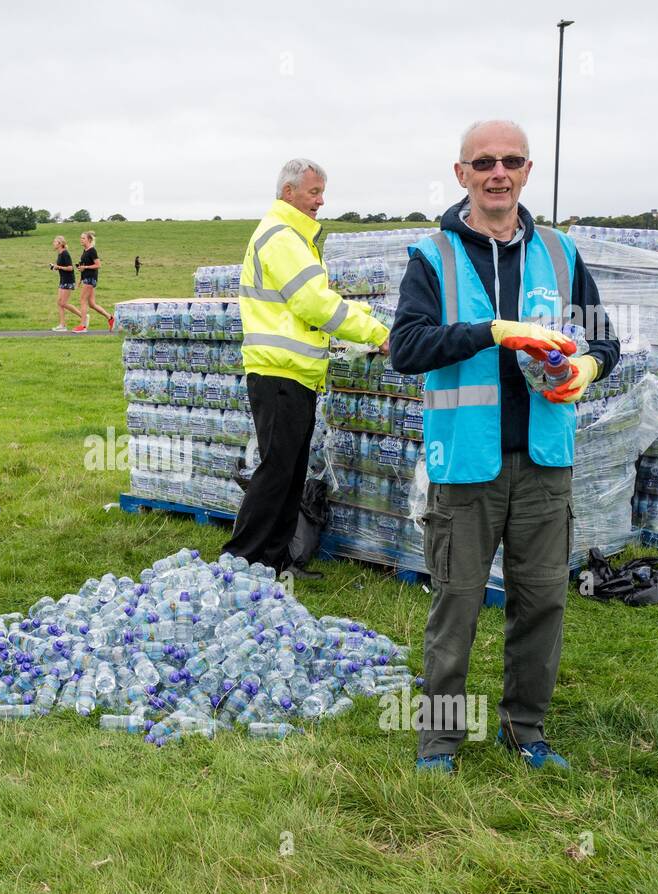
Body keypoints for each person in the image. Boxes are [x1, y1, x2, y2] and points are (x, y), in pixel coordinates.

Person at [389, 120, 620, 774]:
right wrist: (490, 331)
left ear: (526, 171)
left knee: (542, 601)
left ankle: (527, 733)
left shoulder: (559, 252)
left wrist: (587, 370)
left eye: (511, 161)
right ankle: (439, 742)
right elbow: (406, 347)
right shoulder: (432, 256)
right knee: (455, 606)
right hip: (465, 468)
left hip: (545, 462)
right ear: (460, 173)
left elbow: (606, 341)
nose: (498, 172)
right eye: (483, 161)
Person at [222, 158, 389, 576]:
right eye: (314, 192)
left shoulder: (294, 237)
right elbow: (314, 303)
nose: (321, 200)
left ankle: (275, 561)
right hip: (279, 372)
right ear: (288, 193)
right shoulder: (282, 237)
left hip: (294, 373)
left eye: (321, 191)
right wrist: (374, 330)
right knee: (277, 470)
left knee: (291, 471)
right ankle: (240, 561)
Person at [71, 231, 115, 332]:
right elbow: (83, 267)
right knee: (92, 304)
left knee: (82, 300)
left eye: (83, 238)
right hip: (86, 278)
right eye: (81, 238)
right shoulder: (85, 251)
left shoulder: (92, 251)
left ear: (89, 240)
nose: (81, 240)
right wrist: (80, 279)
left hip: (90, 278)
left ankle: (83, 326)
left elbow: (98, 265)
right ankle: (110, 318)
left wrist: (85, 267)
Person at [49, 235, 84, 332]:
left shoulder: (65, 254)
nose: (53, 243)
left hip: (68, 280)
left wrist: (58, 267)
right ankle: (62, 325)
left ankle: (83, 316)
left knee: (63, 303)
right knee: (59, 303)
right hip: (63, 280)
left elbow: (70, 268)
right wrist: (56, 267)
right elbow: (62, 267)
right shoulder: (60, 254)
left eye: (55, 242)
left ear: (60, 244)